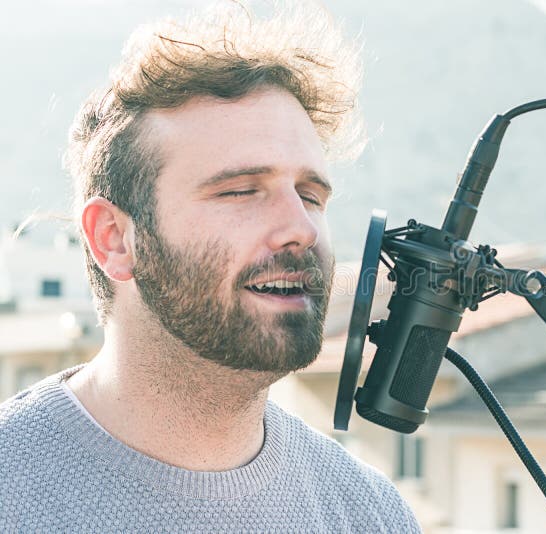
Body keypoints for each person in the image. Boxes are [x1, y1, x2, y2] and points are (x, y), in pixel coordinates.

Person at [0, 3, 421, 532]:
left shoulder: (371, 515)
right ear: (114, 240)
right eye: (242, 190)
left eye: (311, 196)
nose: (302, 229)